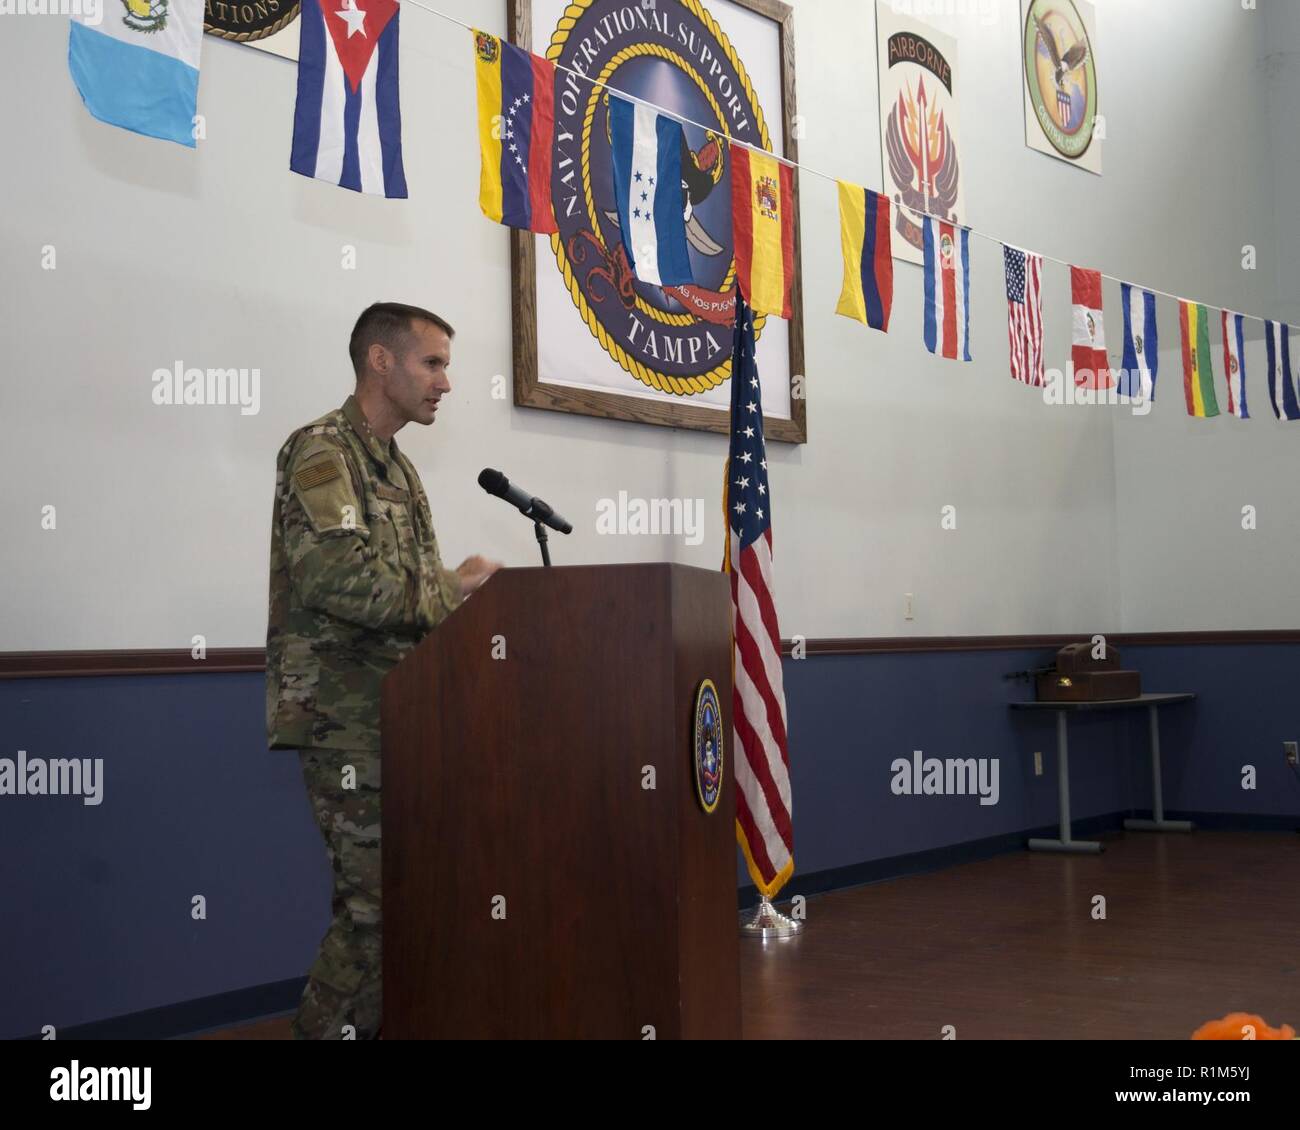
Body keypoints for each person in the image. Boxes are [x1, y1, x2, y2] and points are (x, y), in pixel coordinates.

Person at [265, 302, 502, 1039]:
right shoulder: (321, 452)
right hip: (345, 724)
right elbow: (336, 580)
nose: (446, 382)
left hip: (404, 715)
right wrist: (455, 587)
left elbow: (409, 600)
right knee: (376, 914)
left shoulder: (399, 469)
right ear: (380, 361)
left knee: (408, 907)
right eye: (432, 363)